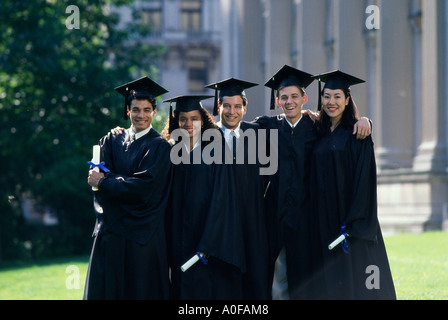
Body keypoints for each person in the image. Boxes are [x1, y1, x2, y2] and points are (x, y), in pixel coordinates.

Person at [255, 65, 372, 299]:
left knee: (309, 279)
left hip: (309, 217)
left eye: (294, 96)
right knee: (277, 278)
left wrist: (366, 120)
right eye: (284, 97)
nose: (289, 102)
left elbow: (342, 126)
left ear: (304, 98)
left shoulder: (316, 127)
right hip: (275, 215)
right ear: (277, 101)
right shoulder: (266, 127)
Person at [309, 70, 396, 299]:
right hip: (324, 219)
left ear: (347, 100)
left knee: (363, 282)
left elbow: (365, 182)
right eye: (326, 96)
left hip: (352, 223)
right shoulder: (317, 132)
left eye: (337, 96)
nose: (331, 102)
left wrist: (354, 224)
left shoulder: (358, 134)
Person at [84, 76, 172, 300]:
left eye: (146, 110)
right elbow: (98, 186)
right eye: (135, 110)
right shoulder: (111, 140)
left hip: (141, 238)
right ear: (128, 110)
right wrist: (108, 185)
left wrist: (106, 182)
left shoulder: (160, 147)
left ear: (154, 112)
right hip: (111, 234)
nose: (140, 115)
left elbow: (144, 188)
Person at [162, 95, 246, 300]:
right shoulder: (171, 150)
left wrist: (209, 243)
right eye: (183, 119)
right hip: (178, 236)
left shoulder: (216, 150)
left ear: (203, 119)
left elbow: (223, 199)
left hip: (207, 241)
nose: (188, 124)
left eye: (194, 118)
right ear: (176, 121)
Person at [205, 78, 271, 299]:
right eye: (226, 106)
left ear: (245, 108)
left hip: (252, 224)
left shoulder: (258, 134)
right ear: (218, 107)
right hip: (220, 227)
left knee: (253, 285)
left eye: (236, 106)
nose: (231, 111)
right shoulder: (206, 138)